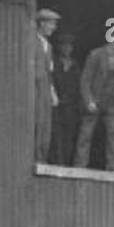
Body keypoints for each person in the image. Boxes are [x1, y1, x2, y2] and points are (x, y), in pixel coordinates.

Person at [77, 25, 114, 172]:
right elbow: (85, 80)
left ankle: (113, 165)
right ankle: (80, 165)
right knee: (86, 134)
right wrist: (89, 100)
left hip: (112, 103)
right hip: (95, 101)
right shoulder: (96, 55)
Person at [49, 33, 82, 166]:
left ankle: (67, 162)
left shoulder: (75, 65)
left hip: (71, 106)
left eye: (69, 46)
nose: (67, 49)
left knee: (69, 135)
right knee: (57, 135)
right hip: (57, 104)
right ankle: (57, 162)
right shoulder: (54, 62)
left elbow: (78, 84)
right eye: (64, 45)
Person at [34, 9, 60, 163]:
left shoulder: (48, 46)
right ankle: (34, 156)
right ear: (42, 23)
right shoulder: (32, 40)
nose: (53, 27)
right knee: (35, 120)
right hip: (34, 87)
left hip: (44, 87)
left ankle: (41, 157)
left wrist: (52, 91)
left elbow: (49, 71)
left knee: (45, 122)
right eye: (51, 24)